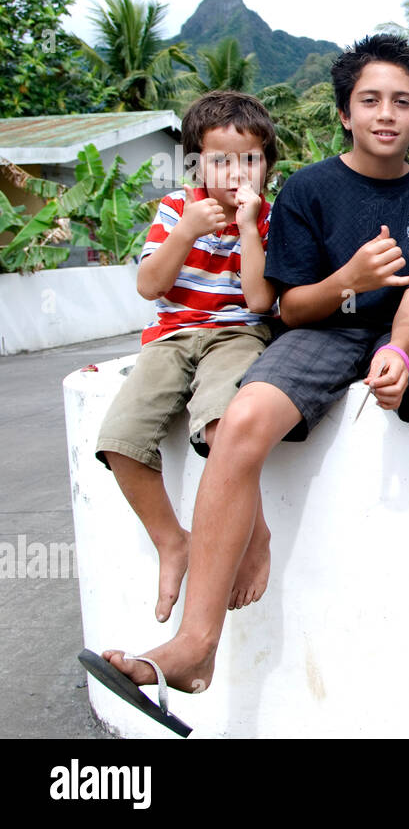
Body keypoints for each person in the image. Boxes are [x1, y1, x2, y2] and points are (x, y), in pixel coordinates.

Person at [86, 35, 409, 733]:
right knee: (246, 412)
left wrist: (404, 352)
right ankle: (195, 646)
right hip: (318, 331)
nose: (386, 113)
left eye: (402, 102)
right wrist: (349, 281)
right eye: (370, 100)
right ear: (345, 113)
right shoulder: (309, 190)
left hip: (396, 332)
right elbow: (288, 308)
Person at [95, 90, 276, 624]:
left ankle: (256, 532)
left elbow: (262, 300)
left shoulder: (269, 217)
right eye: (220, 159)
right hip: (171, 336)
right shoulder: (176, 207)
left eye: (249, 159)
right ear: (197, 162)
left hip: (237, 335)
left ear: (266, 161)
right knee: (119, 440)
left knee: (223, 425)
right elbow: (150, 286)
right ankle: (172, 541)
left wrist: (246, 228)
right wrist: (187, 231)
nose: (235, 171)